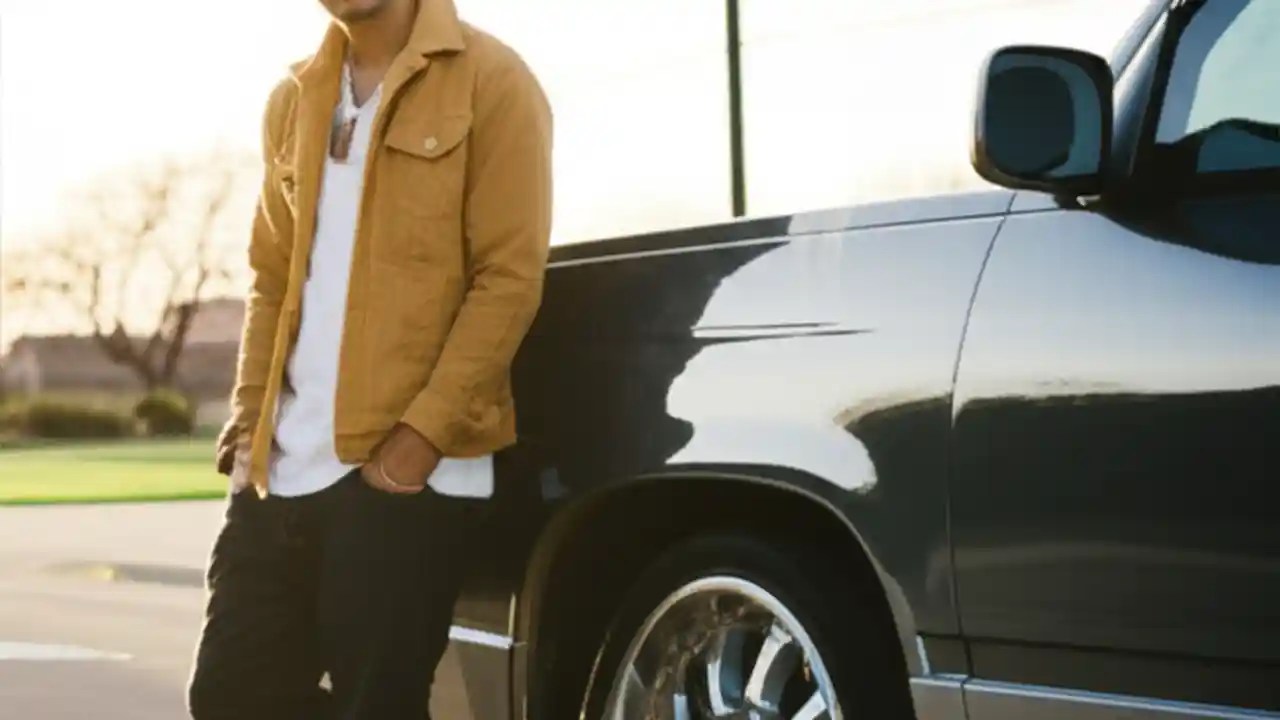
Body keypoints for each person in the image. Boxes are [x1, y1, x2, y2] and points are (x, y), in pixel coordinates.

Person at [187, 0, 552, 716]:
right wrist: (250, 416)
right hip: (282, 470)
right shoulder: (294, 97)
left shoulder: (493, 80)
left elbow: (508, 279)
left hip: (403, 478)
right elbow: (272, 277)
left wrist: (417, 445)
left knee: (377, 704)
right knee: (229, 696)